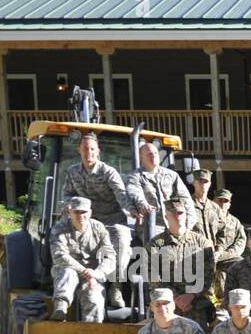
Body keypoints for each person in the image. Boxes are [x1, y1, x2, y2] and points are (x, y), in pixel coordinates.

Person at [62, 132, 131, 301]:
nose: (89, 153)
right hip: (86, 223)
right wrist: (69, 205)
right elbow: (66, 195)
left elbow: (121, 194)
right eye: (85, 149)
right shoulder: (72, 172)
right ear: (79, 150)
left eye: (92, 149)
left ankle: (116, 288)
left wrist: (132, 210)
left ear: (98, 151)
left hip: (112, 221)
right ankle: (71, 290)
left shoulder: (108, 172)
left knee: (122, 240)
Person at [145, 197, 215, 329]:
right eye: (174, 213)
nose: (178, 216)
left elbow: (209, 275)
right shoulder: (155, 245)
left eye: (181, 213)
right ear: (166, 216)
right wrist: (176, 297)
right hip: (167, 304)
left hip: (196, 302)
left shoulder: (202, 243)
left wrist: (191, 295)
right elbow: (153, 276)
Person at [49, 196, 115, 322]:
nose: (80, 215)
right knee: (68, 273)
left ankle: (91, 333)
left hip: (93, 275)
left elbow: (110, 256)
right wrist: (86, 272)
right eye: (76, 212)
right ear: (69, 212)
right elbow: (59, 256)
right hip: (66, 271)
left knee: (94, 299)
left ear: (90, 213)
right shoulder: (60, 228)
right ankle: (60, 308)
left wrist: (96, 273)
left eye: (84, 212)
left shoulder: (98, 228)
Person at [125, 139, 193, 235]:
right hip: (150, 227)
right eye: (149, 154)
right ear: (141, 157)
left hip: (175, 225)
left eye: (155, 153)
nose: (153, 156)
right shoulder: (135, 177)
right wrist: (143, 205)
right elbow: (135, 192)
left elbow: (186, 200)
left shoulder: (172, 176)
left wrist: (188, 226)